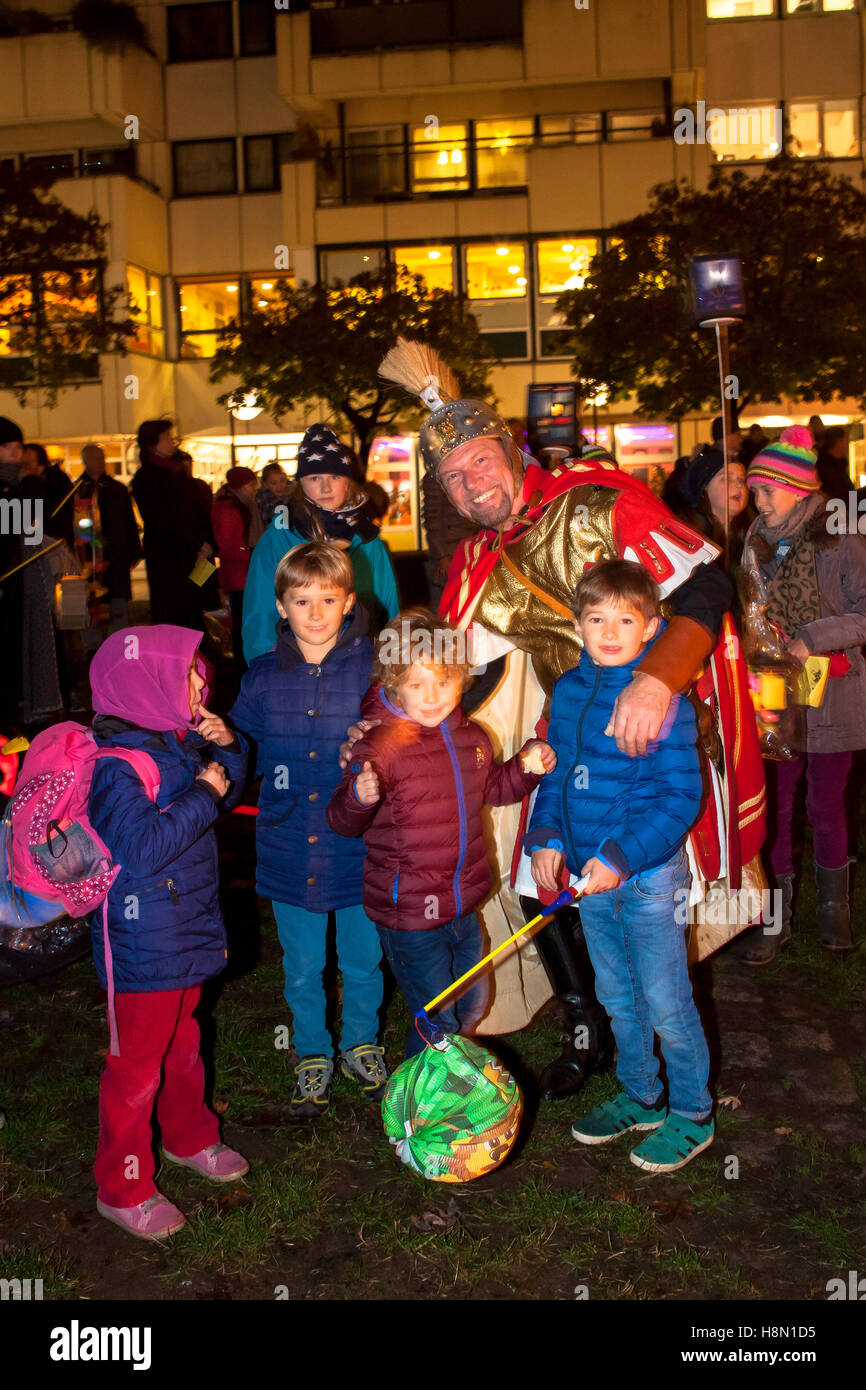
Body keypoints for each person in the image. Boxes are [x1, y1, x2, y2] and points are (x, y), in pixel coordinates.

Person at [371, 340, 764, 1102]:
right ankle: (588, 1021)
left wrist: (654, 680)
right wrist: (380, 716)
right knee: (530, 864)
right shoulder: (481, 565)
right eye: (453, 477)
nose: (470, 482)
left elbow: (707, 587)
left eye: (480, 461)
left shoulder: (598, 502)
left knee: (639, 880)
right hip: (575, 736)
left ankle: (664, 1066)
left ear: (512, 451)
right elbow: (454, 663)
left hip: (658, 735)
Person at [527, 559, 712, 1172]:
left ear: (652, 627)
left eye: (624, 620)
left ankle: (692, 1111)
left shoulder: (663, 701)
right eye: (595, 618)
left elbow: (679, 797)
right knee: (615, 993)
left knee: (664, 999)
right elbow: (554, 775)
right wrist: (546, 834)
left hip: (649, 876)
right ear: (577, 625)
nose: (609, 632)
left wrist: (621, 856)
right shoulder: (570, 692)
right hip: (590, 879)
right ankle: (641, 1094)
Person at [327, 607, 555, 1059]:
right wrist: (359, 795)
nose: (432, 697)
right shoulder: (377, 746)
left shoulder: (471, 737)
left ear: (461, 678)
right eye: (417, 684)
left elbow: (492, 789)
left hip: (462, 906)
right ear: (393, 684)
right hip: (409, 913)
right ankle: (420, 1113)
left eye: (443, 682)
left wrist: (527, 768)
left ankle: (452, 1085)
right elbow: (343, 822)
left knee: (471, 1003)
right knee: (436, 1018)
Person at [88, 625, 250, 1240]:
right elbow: (143, 847)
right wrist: (206, 793)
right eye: (184, 677)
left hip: (180, 930)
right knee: (135, 1072)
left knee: (183, 1048)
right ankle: (123, 1185)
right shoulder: (117, 766)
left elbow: (228, 790)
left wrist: (227, 747)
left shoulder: (174, 742)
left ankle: (189, 1138)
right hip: (140, 943)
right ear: (144, 687)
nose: (199, 686)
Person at [229, 542, 386, 1118]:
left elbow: (402, 734)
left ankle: (362, 1042)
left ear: (348, 603)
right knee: (301, 965)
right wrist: (217, 756)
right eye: (302, 601)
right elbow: (241, 746)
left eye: (327, 599)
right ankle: (313, 1049)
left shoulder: (376, 668)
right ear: (281, 605)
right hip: (288, 844)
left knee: (363, 958)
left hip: (359, 847)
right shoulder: (264, 677)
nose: (315, 613)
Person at [737, 426, 866, 962]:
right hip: (773, 691)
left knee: (827, 803)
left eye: (767, 490)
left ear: (799, 490)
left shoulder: (842, 538)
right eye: (753, 490)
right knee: (777, 803)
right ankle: (776, 919)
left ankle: (835, 914)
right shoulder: (753, 541)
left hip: (834, 686)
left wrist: (812, 637)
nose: (757, 501)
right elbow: (746, 607)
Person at [243, 424, 399, 663]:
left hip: (360, 670)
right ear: (301, 483)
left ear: (347, 481)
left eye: (335, 476)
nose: (326, 488)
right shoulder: (280, 537)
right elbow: (260, 617)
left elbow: (389, 614)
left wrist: (390, 669)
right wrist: (265, 675)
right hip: (293, 671)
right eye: (315, 478)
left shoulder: (367, 538)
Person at [131, 419, 218, 630]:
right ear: (153, 443)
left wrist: (206, 543)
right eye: (167, 437)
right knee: (178, 612)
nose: (172, 441)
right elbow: (165, 520)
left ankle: (202, 653)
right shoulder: (148, 478)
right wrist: (198, 543)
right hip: (172, 557)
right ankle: (183, 658)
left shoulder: (178, 473)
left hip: (197, 553)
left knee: (198, 605)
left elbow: (197, 512)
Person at [76, 444, 142, 637]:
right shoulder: (79, 490)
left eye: (102, 457)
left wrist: (133, 551)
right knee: (91, 601)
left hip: (116, 555)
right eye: (95, 458)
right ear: (85, 461)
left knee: (117, 600)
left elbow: (129, 522)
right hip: (88, 557)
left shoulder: (116, 489)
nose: (100, 462)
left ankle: (118, 640)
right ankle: (92, 644)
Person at [212, 465, 264, 677]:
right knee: (243, 622)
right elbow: (228, 544)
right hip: (238, 574)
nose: (254, 489)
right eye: (251, 485)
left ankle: (245, 664)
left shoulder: (243, 504)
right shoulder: (229, 508)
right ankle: (242, 667)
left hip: (245, 572)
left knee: (247, 621)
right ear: (242, 486)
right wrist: (251, 552)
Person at [673, 446, 753, 569]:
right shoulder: (690, 541)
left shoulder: (750, 533)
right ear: (704, 488)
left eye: (742, 479)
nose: (738, 485)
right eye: (726, 478)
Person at [421, 466, 477, 612]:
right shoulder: (436, 475)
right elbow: (432, 518)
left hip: (467, 551)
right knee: (448, 610)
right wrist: (442, 556)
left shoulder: (462, 470)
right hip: (450, 555)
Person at [0, 416, 25, 729]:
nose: (15, 454)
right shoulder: (10, 490)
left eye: (18, 447)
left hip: (14, 586)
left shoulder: (18, 488)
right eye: (7, 447)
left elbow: (29, 536)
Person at [816, 426, 855, 504]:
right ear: (839, 443)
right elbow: (843, 496)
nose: (847, 445)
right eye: (846, 441)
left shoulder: (837, 465)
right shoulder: (826, 468)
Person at [256, 461, 290, 528]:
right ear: (265, 484)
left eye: (282, 480)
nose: (279, 486)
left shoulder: (288, 494)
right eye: (273, 483)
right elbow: (283, 521)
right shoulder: (266, 498)